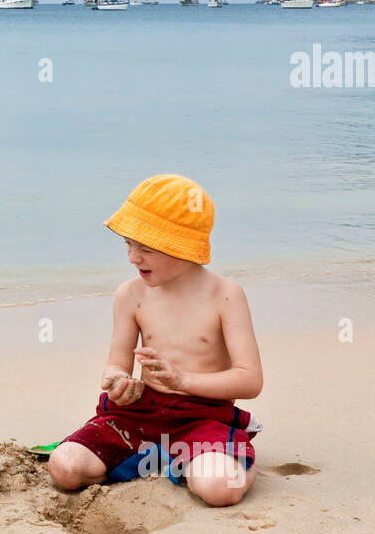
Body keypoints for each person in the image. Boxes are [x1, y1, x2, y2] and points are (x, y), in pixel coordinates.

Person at [48, 174, 263, 507]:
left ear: (183, 247)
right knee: (65, 467)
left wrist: (183, 381)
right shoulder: (130, 295)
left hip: (203, 417)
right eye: (128, 245)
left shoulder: (225, 296)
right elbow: (118, 362)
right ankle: (159, 459)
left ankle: (228, 458)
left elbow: (250, 380)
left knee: (221, 488)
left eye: (146, 248)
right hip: (139, 415)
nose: (133, 257)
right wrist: (117, 381)